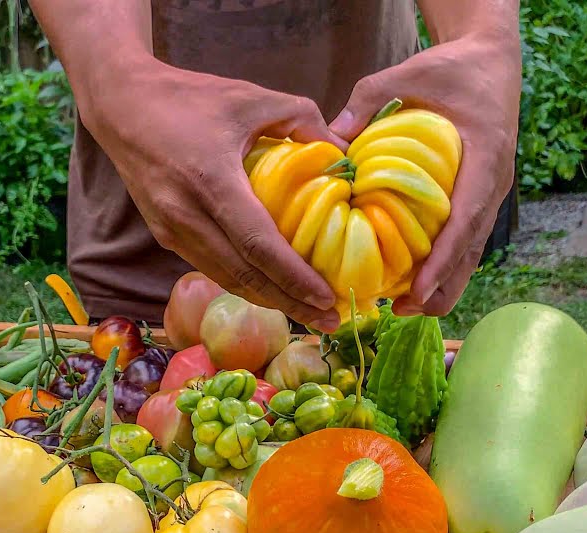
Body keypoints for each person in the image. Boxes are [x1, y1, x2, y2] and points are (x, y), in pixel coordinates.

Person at [31, 1, 521, 331]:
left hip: (386, 274)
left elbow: (483, 34)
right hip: (150, 278)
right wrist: (116, 78)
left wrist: (486, 41)